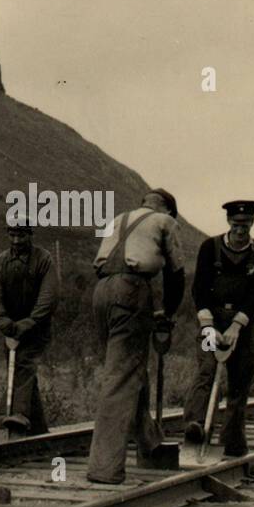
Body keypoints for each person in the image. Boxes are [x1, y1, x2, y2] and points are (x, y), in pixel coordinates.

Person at [86, 188, 186, 484]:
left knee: (128, 368)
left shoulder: (118, 219)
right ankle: (104, 468)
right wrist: (168, 311)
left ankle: (149, 441)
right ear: (168, 209)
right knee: (121, 377)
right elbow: (175, 273)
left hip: (102, 292)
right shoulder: (165, 222)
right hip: (131, 290)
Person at [182, 200, 254, 457]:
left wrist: (236, 325)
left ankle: (232, 443)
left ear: (253, 222)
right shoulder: (210, 247)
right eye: (236, 225)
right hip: (211, 320)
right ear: (228, 223)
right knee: (207, 371)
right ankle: (194, 428)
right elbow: (199, 287)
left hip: (242, 323)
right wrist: (208, 325)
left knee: (240, 380)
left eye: (245, 224)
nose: (240, 230)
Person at [0, 220, 58, 435]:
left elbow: (48, 300)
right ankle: (39, 432)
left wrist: (25, 326)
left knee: (24, 365)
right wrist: (5, 324)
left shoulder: (43, 259)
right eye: (12, 235)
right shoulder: (1, 261)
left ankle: (10, 416)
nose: (16, 241)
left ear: (31, 235)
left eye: (22, 236)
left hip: (37, 328)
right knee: (23, 372)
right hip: (10, 330)